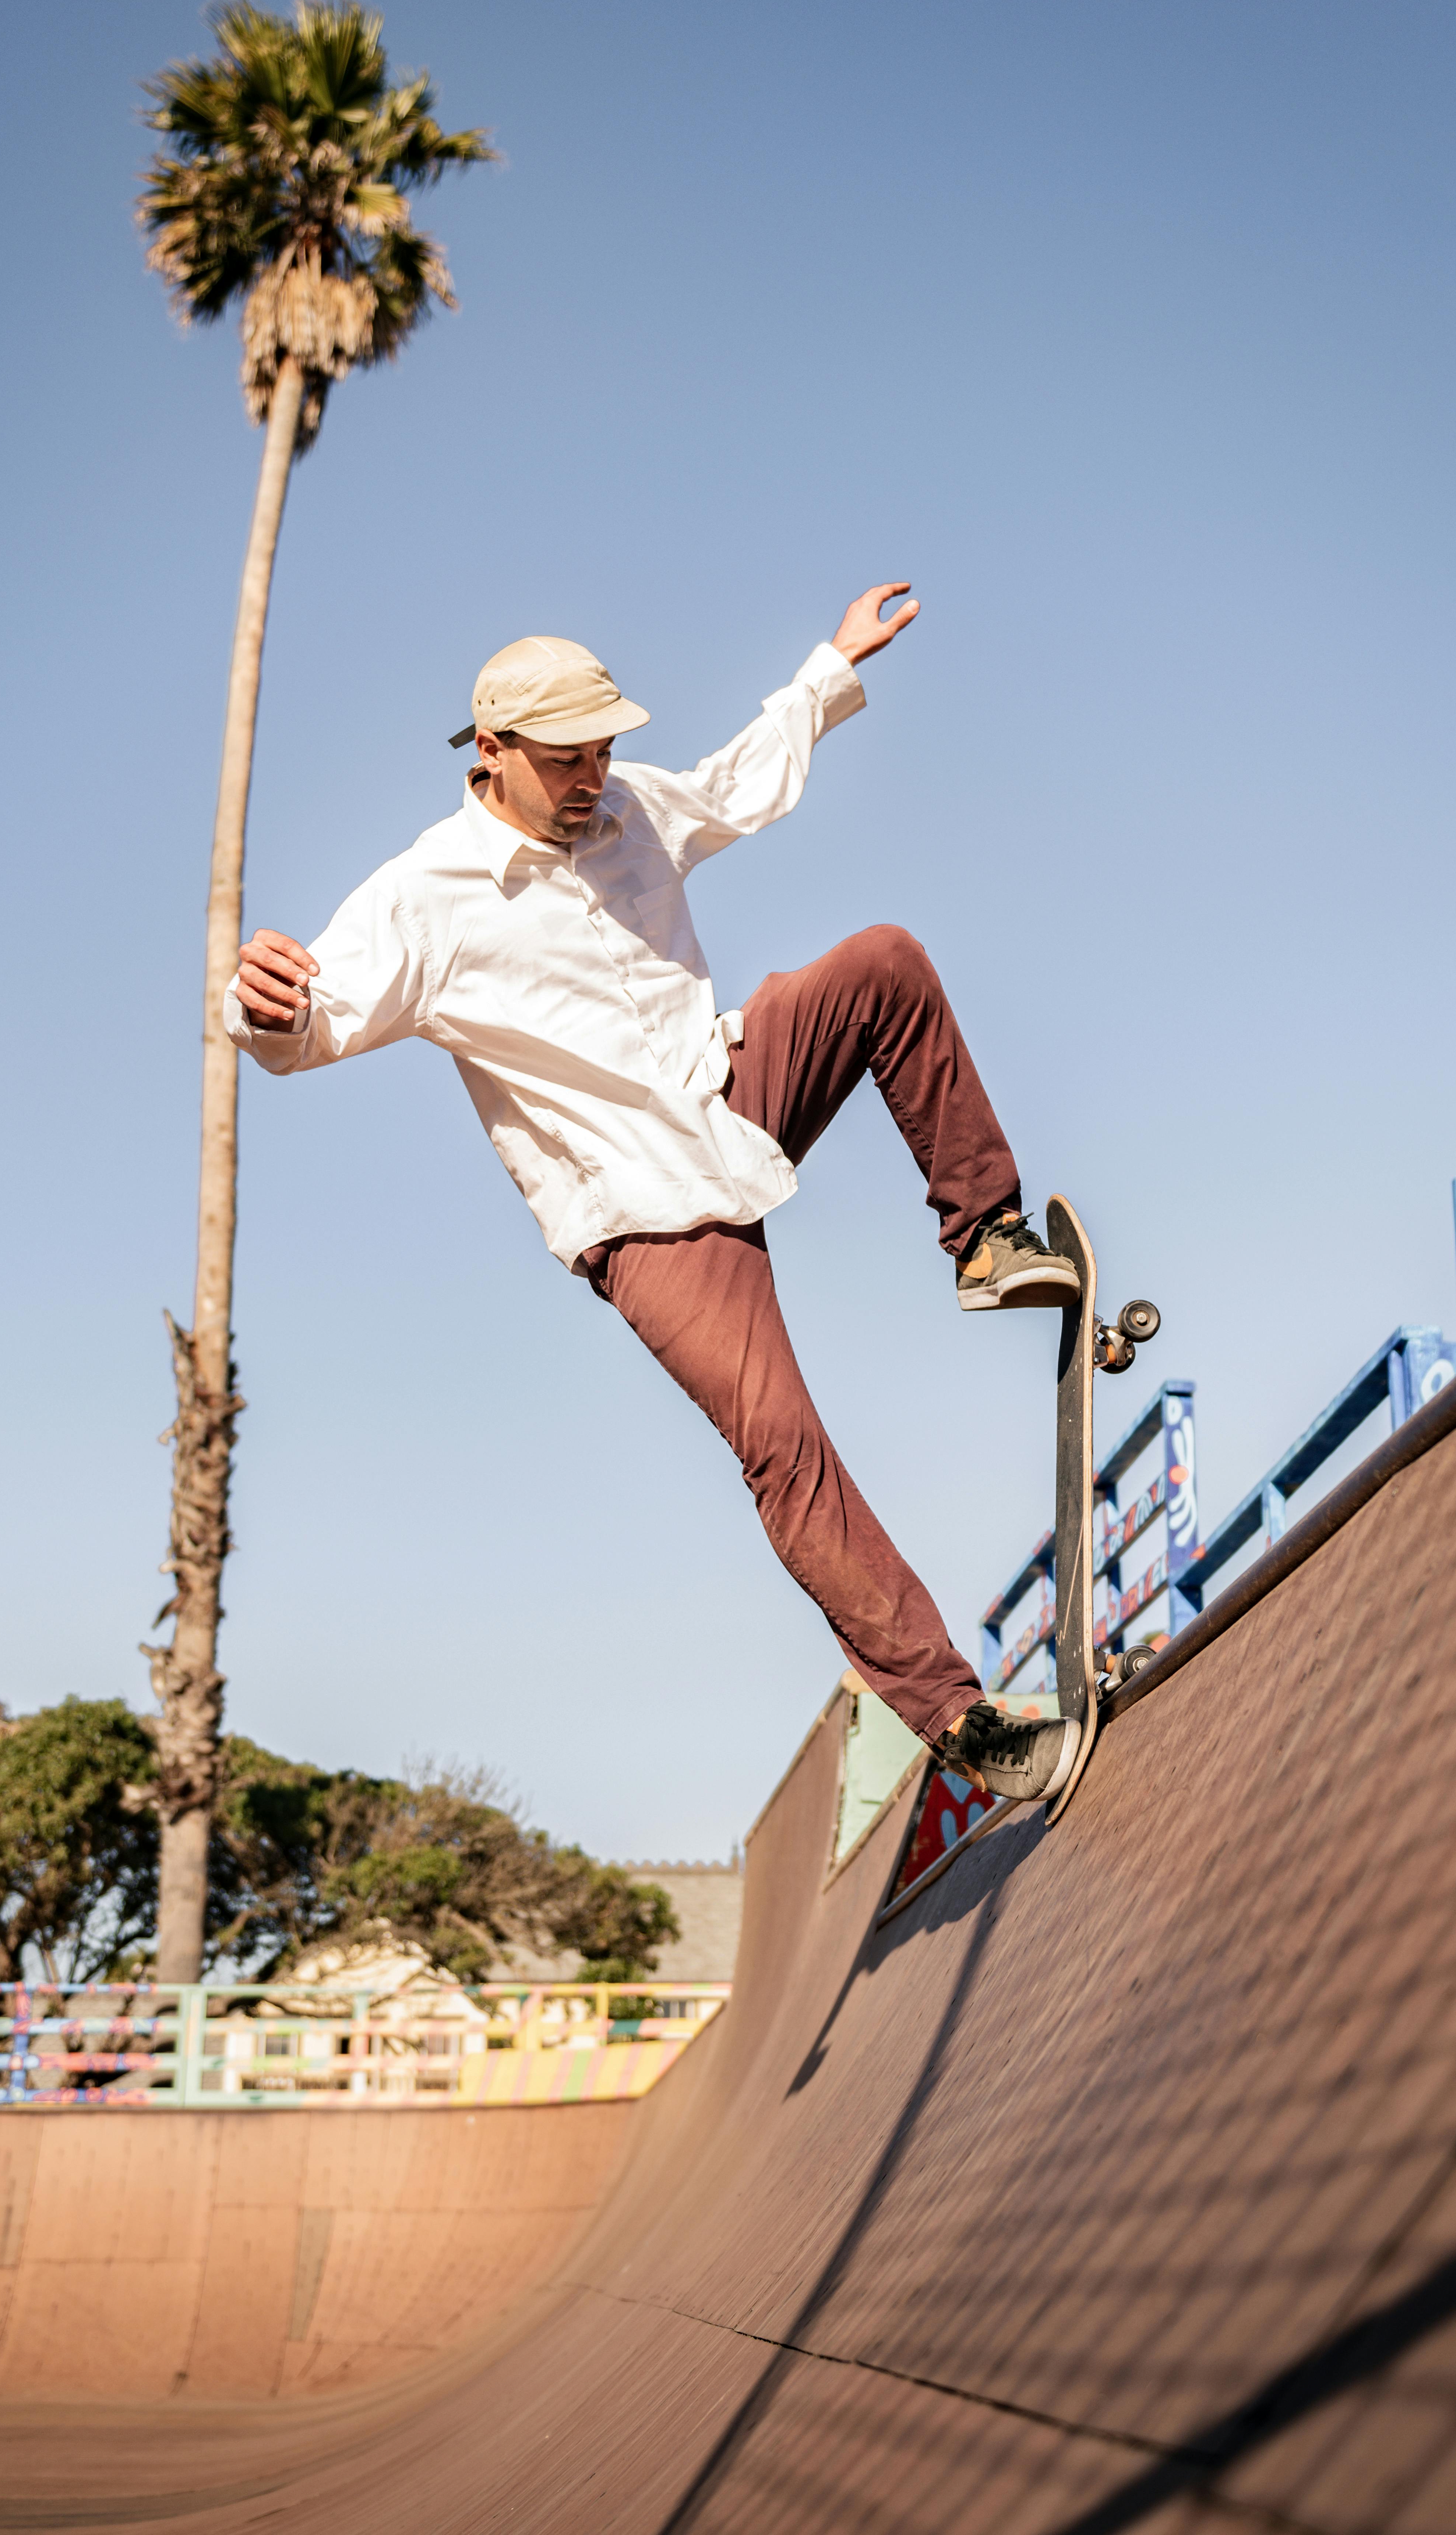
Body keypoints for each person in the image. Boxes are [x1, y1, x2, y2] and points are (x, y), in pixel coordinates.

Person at [228, 585, 1081, 1804]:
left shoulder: (629, 808)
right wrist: (260, 1012)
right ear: (494, 753)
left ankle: (986, 1236)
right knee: (783, 1447)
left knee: (882, 962)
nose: (596, 779)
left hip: (728, 1090)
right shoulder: (427, 897)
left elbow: (742, 782)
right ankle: (957, 1718)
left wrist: (830, 669)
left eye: (606, 752)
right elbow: (314, 1019)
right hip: (641, 1215)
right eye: (569, 761)